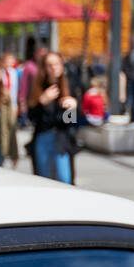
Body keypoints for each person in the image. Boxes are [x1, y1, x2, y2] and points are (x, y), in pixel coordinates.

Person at [26, 51, 79, 184]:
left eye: (57, 64)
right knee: (44, 179)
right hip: (43, 136)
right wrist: (42, 102)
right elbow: (32, 118)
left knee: (64, 178)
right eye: (50, 65)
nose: (54, 68)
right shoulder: (38, 87)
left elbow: (69, 123)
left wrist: (72, 109)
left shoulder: (69, 85)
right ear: (44, 68)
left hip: (61, 139)